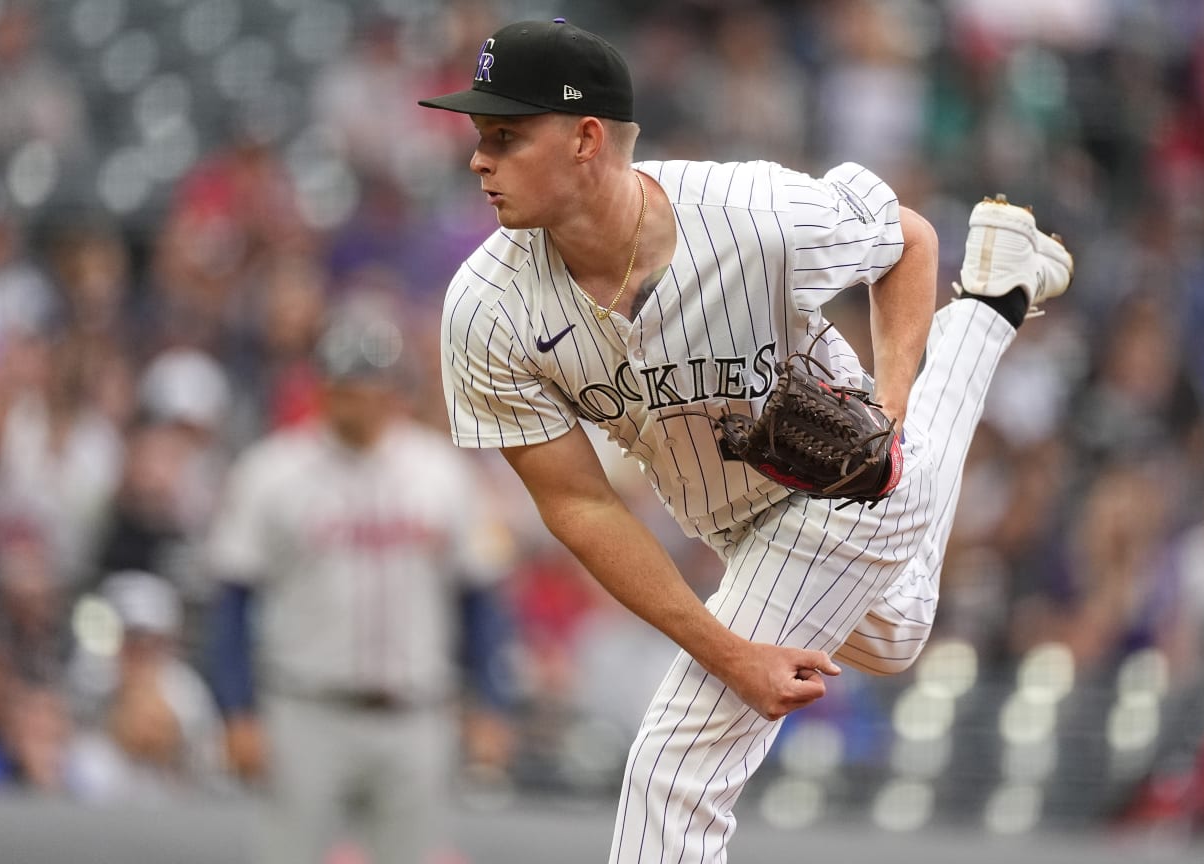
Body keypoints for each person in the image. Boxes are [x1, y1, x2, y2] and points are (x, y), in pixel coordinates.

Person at [421, 18, 1073, 862]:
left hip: (842, 487)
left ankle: (944, 382)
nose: (479, 157)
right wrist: (727, 650)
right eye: (480, 135)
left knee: (674, 767)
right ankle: (990, 303)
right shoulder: (486, 310)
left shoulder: (751, 215)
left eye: (506, 135)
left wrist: (891, 406)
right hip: (736, 526)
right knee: (898, 630)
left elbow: (906, 241)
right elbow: (580, 504)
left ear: (587, 139)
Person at [206, 316, 486, 864]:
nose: (359, 400)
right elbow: (234, 604)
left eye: (372, 386)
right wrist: (237, 712)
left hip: (416, 710)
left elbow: (479, 598)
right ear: (324, 388)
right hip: (306, 709)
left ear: (394, 393)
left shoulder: (441, 473)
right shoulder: (272, 472)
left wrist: (488, 704)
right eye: (347, 387)